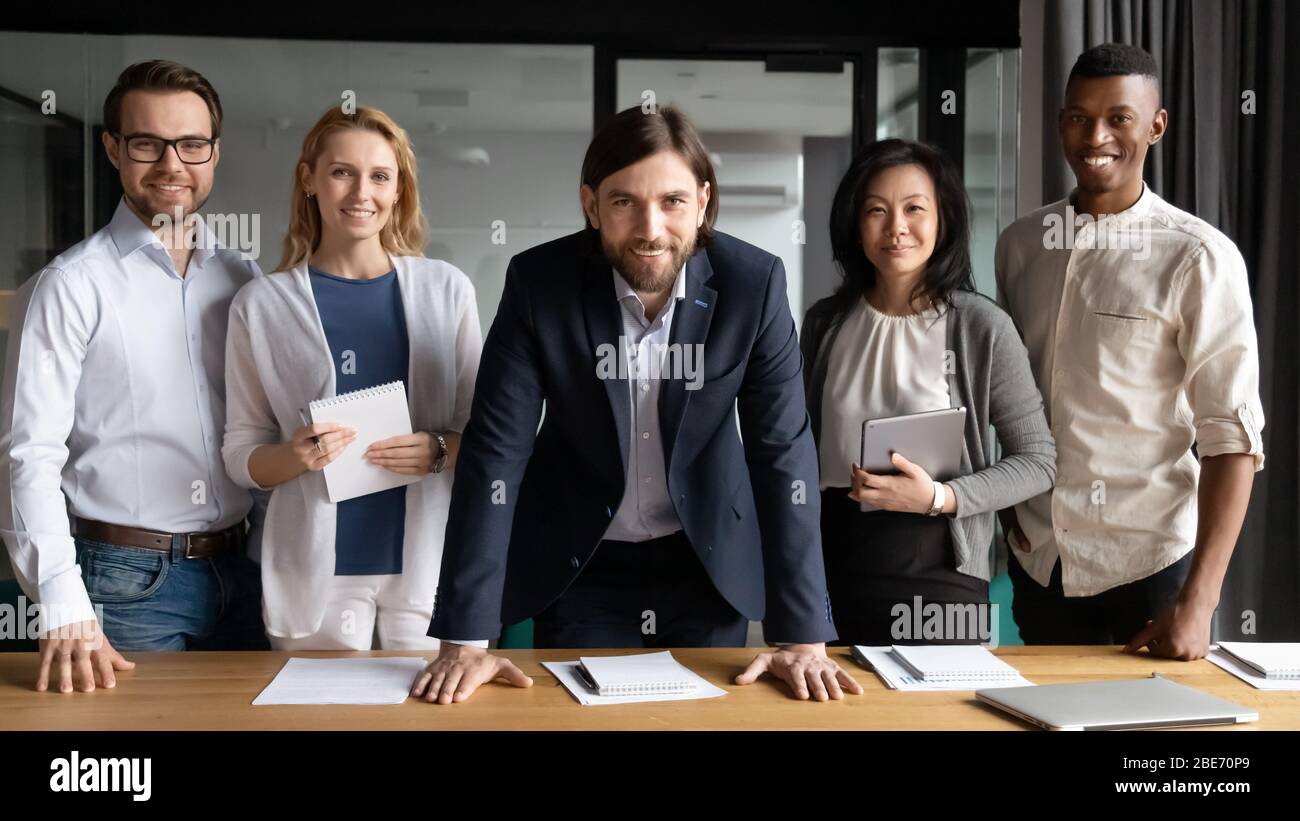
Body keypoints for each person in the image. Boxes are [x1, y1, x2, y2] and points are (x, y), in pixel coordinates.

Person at [412, 104, 863, 704]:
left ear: (702, 202)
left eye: (673, 201)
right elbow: (496, 452)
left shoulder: (753, 284)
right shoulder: (539, 284)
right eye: (624, 202)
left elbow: (781, 451)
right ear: (591, 204)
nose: (650, 228)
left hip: (705, 560)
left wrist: (803, 633)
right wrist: (466, 635)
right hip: (581, 563)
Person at [0, 59, 266, 693]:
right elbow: (27, 454)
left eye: (192, 144)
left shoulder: (244, 279)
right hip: (124, 582)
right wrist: (63, 606)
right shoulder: (70, 285)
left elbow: (266, 429)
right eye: (149, 143)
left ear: (214, 153)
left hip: (246, 571)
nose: (173, 164)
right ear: (114, 149)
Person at [995, 43, 1265, 659]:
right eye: (1078, 116)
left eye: (1119, 117)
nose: (1096, 135)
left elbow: (1233, 439)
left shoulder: (1198, 256)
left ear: (1156, 125)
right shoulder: (1019, 247)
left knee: (1153, 750)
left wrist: (1199, 603)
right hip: (1041, 562)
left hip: (1149, 566)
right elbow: (1009, 390)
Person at [221, 106, 481, 650]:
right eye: (342, 171)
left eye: (380, 176)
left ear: (398, 189)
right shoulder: (262, 303)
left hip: (427, 563)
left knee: (433, 720)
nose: (361, 192)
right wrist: (295, 456)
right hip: (314, 573)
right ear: (309, 180)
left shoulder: (446, 290)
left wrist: (438, 449)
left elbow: (483, 433)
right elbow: (241, 453)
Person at [801, 139, 1055, 645]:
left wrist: (942, 496)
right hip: (833, 559)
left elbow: (1039, 460)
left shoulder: (982, 326)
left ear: (944, 220)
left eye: (914, 208)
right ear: (855, 223)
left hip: (942, 563)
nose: (896, 227)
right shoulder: (825, 324)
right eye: (876, 210)